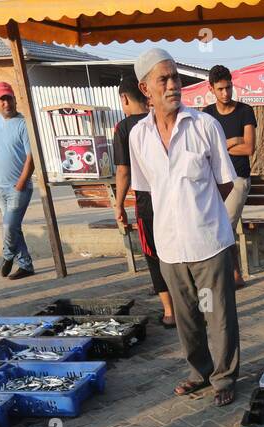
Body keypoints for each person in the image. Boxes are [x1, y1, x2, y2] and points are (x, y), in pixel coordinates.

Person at [129, 48, 240, 407]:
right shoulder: (139, 137)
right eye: (164, 79)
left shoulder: (204, 125)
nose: (173, 84)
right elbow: (146, 190)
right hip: (170, 247)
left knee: (219, 316)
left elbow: (226, 183)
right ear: (146, 88)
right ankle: (200, 372)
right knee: (187, 320)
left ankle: (224, 377)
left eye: (175, 77)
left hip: (209, 242)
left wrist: (202, 215)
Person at [112, 73, 176, 328]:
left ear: (125, 98)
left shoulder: (125, 128)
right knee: (180, 252)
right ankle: (194, 307)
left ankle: (170, 311)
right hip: (173, 199)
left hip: (148, 205)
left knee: (154, 255)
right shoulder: (162, 119)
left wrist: (118, 204)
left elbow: (123, 171)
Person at [202, 65, 256, 287]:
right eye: (221, 89)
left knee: (225, 225)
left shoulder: (245, 111)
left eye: (229, 87)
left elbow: (249, 148)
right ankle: (223, 273)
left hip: (238, 180)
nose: (226, 93)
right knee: (210, 225)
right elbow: (206, 150)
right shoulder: (207, 115)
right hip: (214, 180)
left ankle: (234, 274)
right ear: (211, 89)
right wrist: (233, 141)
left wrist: (222, 146)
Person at [0, 81, 36, 279]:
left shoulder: (24, 124)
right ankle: (25, 265)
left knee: (9, 226)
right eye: (2, 100)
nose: (6, 103)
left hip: (18, 187)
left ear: (15, 99)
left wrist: (21, 183)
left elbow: (31, 157)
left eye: (9, 98)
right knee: (14, 227)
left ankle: (8, 254)